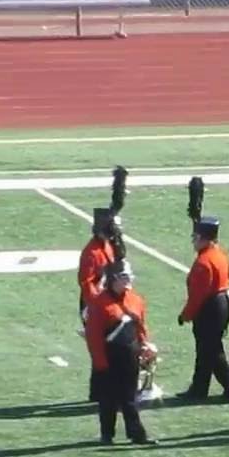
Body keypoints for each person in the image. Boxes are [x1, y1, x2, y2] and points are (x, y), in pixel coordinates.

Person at [177, 179, 229, 403]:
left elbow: (198, 295)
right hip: (221, 303)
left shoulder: (204, 262)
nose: (193, 241)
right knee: (206, 350)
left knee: (212, 351)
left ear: (204, 238)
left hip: (210, 307)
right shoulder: (219, 253)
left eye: (195, 237)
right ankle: (199, 387)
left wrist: (186, 314)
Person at [85, 244, 157, 446]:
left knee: (130, 397)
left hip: (130, 355)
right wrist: (100, 362)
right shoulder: (100, 303)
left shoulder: (136, 300)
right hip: (109, 356)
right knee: (108, 399)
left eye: (129, 276)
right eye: (124, 277)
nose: (128, 280)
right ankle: (107, 435)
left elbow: (140, 326)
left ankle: (137, 434)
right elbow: (94, 336)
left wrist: (145, 346)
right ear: (114, 279)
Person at [79, 166, 126, 402]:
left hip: (105, 301)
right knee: (99, 348)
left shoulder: (105, 246)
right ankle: (98, 392)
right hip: (95, 303)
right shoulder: (91, 253)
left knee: (107, 348)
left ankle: (102, 390)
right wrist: (95, 306)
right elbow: (87, 283)